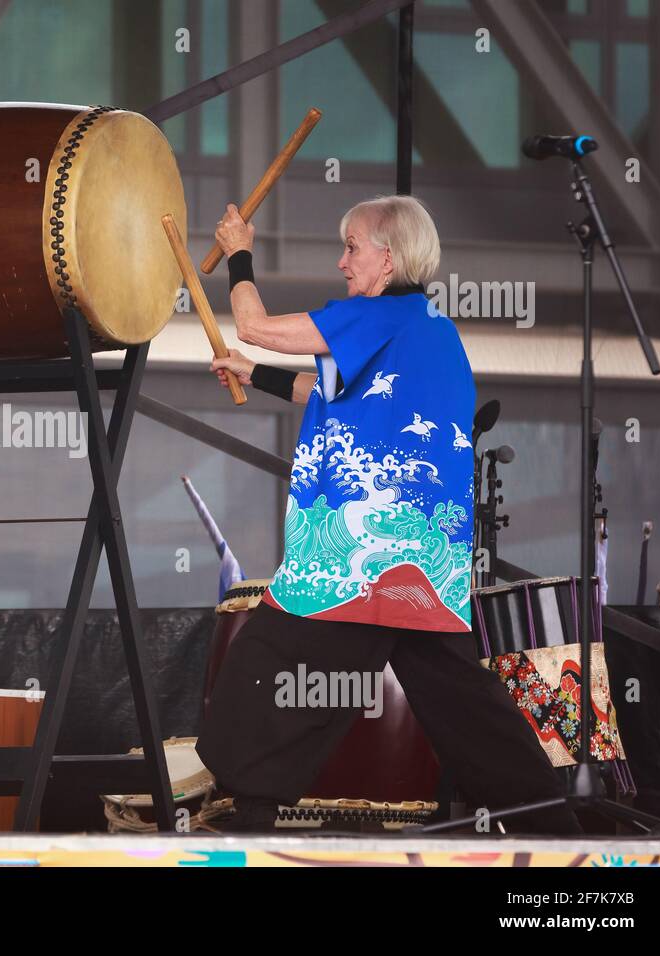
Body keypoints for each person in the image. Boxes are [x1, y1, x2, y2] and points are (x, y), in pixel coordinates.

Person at [197, 195, 581, 834]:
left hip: (361, 566)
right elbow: (338, 398)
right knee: (466, 710)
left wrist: (239, 253)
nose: (342, 261)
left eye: (352, 247)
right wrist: (254, 376)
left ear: (389, 258)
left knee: (262, 663)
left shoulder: (380, 315)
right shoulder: (425, 326)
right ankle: (558, 835)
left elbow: (254, 326)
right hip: (422, 567)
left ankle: (252, 825)